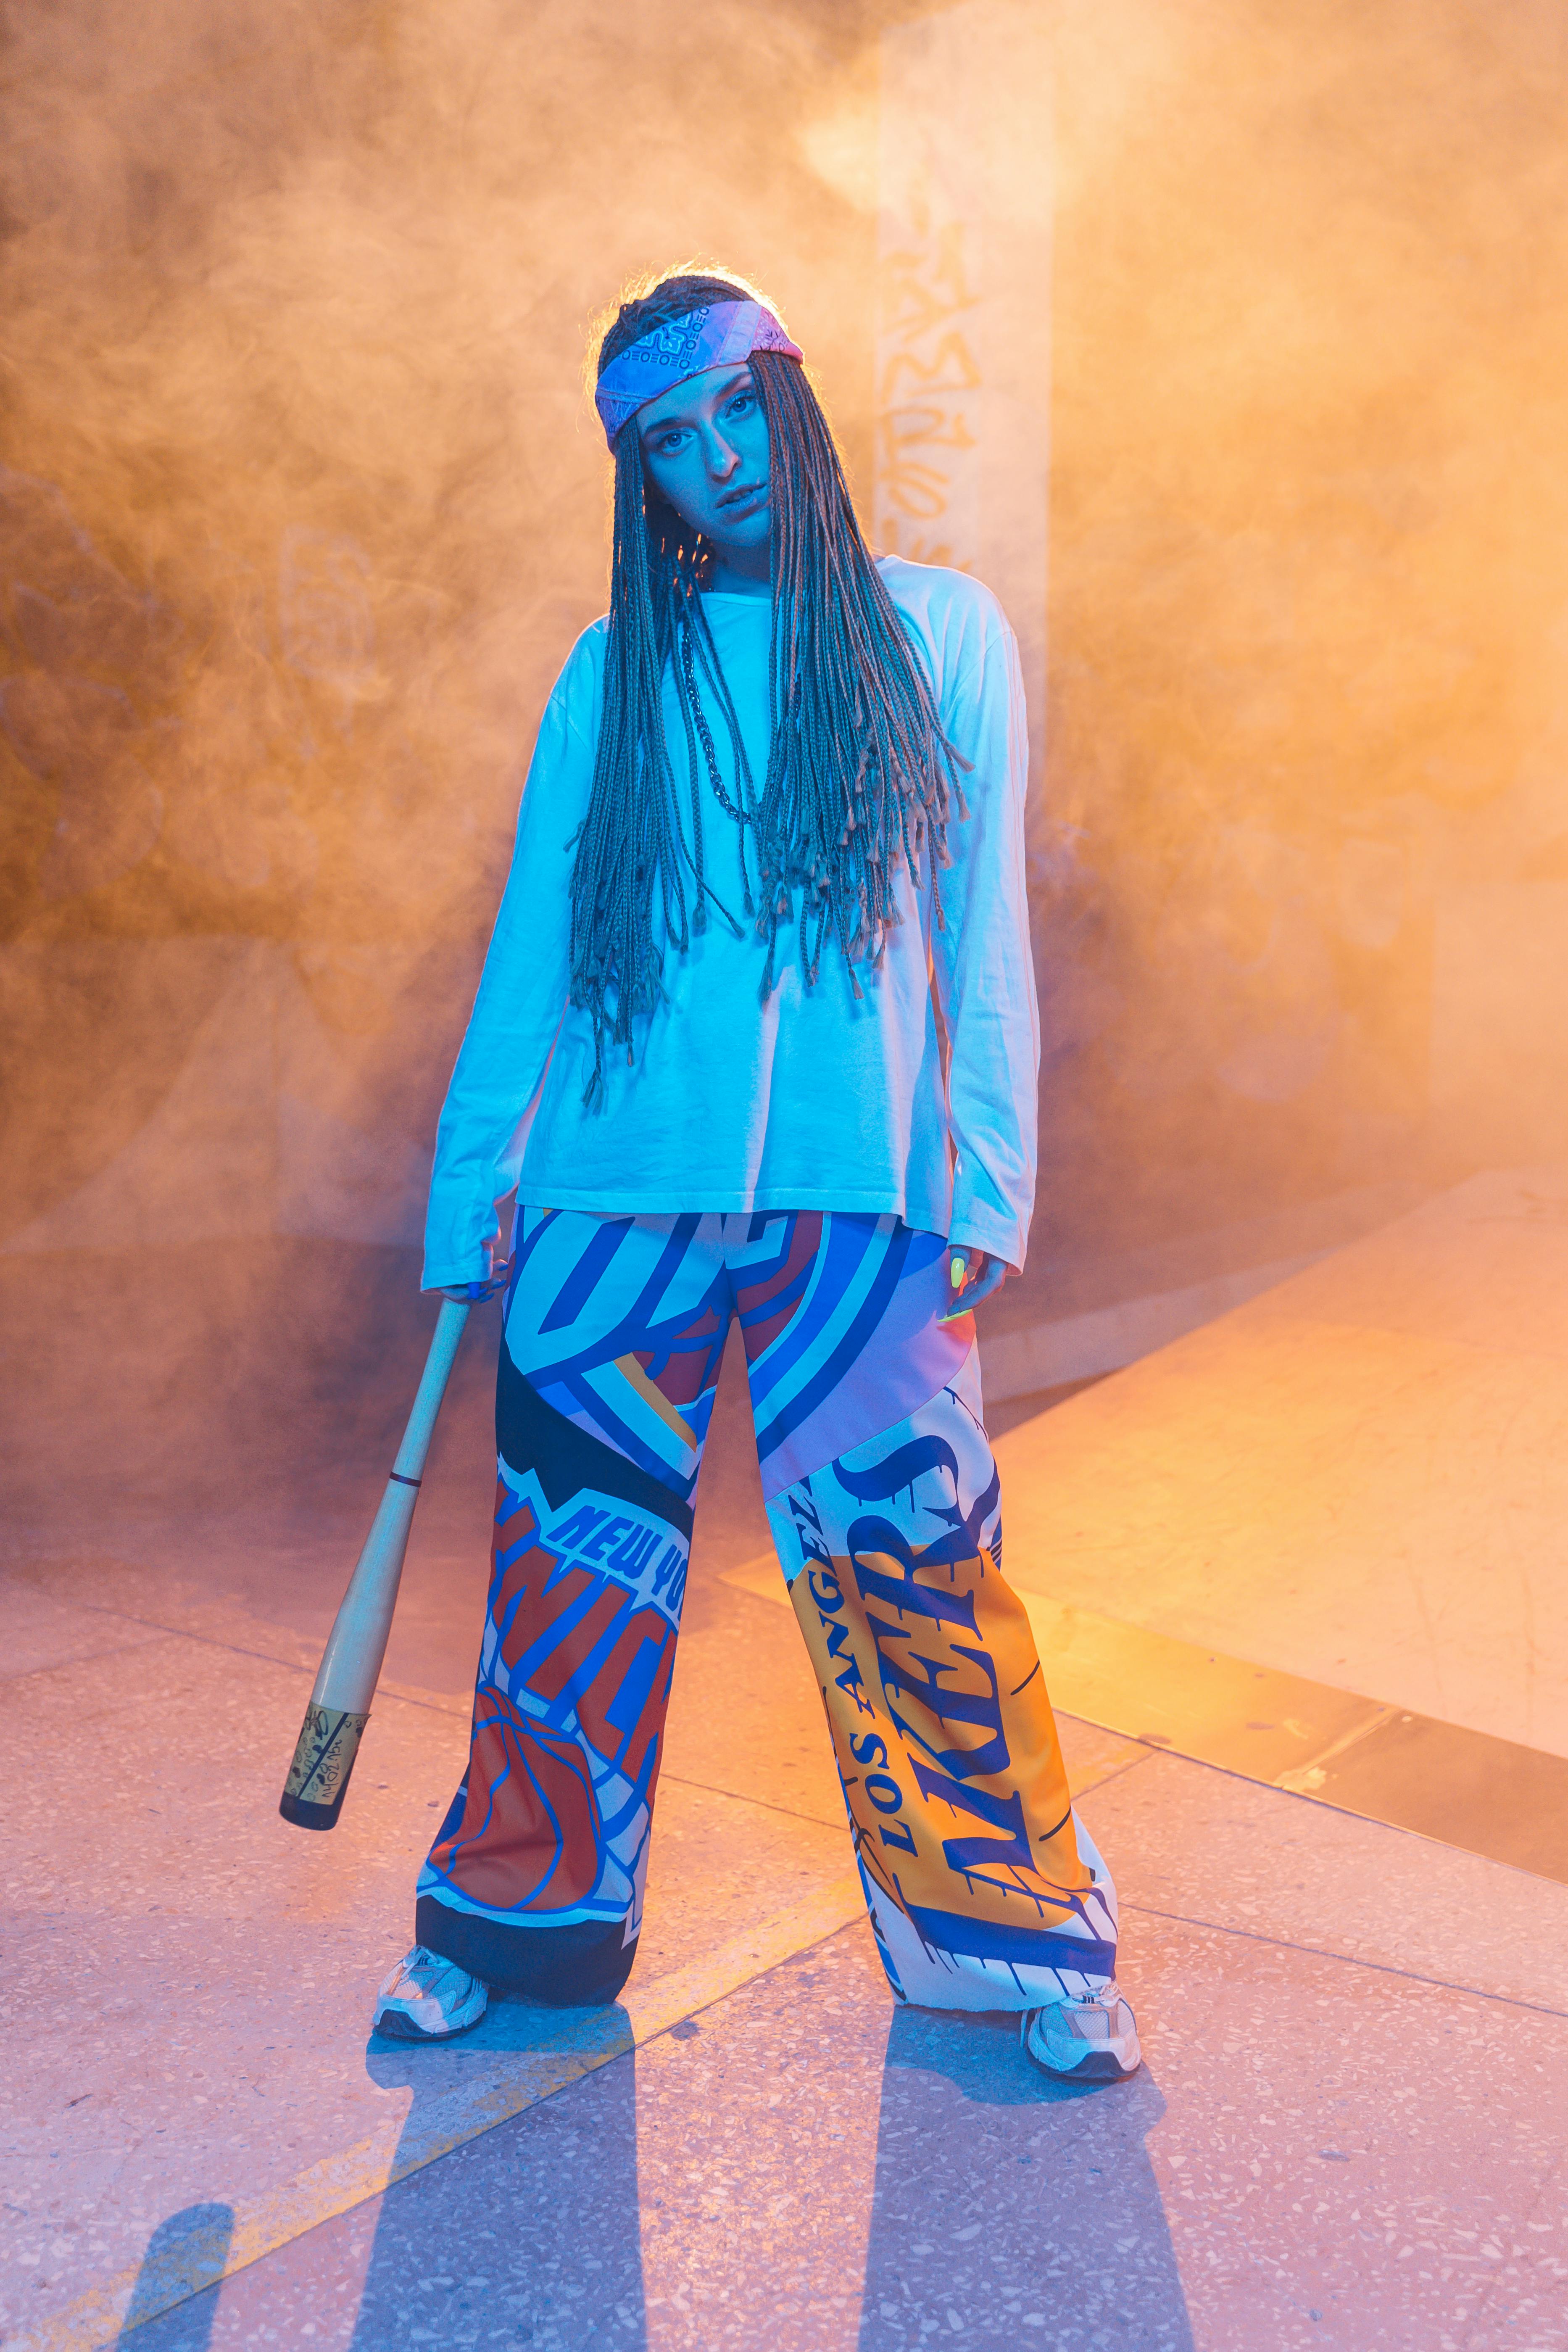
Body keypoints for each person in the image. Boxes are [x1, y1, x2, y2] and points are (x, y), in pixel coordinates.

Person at [369, 269, 1139, 2084]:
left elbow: (982, 932)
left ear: (788, 401)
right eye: (667, 444)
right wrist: (479, 1171)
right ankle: (514, 1927)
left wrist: (987, 1178)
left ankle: (1016, 1945)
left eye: (732, 415)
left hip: (856, 1204)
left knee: (922, 1571)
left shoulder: (938, 632)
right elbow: (538, 940)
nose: (712, 461)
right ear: (639, 477)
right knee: (563, 1586)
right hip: (604, 1204)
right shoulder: (607, 669)